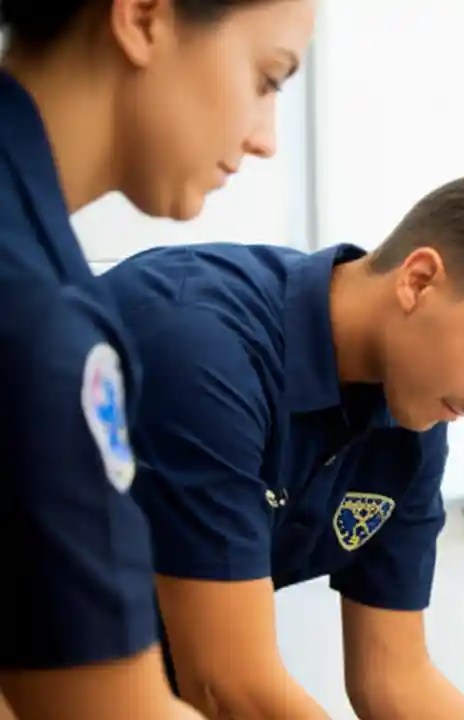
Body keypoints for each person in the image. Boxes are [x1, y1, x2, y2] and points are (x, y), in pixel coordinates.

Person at [97, 170, 464, 719]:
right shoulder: (202, 348)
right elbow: (228, 686)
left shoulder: (412, 416)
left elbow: (394, 679)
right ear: (419, 280)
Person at [0, 1, 314, 718]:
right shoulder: (40, 323)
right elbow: (109, 707)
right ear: (143, 17)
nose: (266, 139)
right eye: (268, 79)